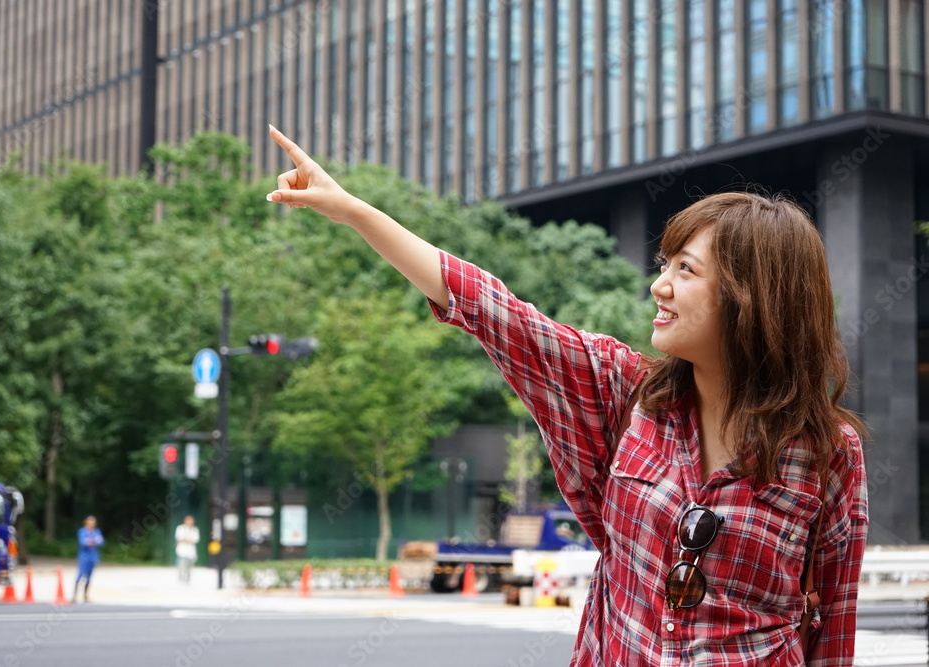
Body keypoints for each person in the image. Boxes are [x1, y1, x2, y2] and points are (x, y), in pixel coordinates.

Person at [264, 126, 868, 666]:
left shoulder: (827, 451)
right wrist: (352, 210)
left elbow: (834, 630)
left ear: (753, 298)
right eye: (665, 263)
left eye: (686, 270)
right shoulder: (627, 392)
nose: (659, 285)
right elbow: (496, 311)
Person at [73, 515, 104, 603]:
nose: (92, 524)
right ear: (86, 522)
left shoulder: (97, 531)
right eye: (90, 522)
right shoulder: (82, 531)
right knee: (81, 574)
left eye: (93, 522)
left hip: (93, 556)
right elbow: (83, 542)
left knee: (89, 576)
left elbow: (101, 542)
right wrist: (93, 542)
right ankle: (74, 595)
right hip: (84, 556)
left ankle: (85, 595)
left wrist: (91, 541)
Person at [174, 514, 200, 584]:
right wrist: (188, 540)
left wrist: (187, 540)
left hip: (190, 551)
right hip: (181, 550)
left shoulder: (195, 529)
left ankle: (187, 579)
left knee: (189, 566)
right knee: (181, 565)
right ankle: (181, 578)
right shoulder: (180, 528)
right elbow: (179, 537)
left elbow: (195, 540)